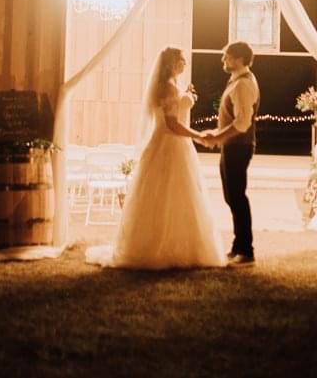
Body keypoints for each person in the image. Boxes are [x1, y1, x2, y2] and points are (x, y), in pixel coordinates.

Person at [85, 47, 226, 269]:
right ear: (170, 64)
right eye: (181, 60)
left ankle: (176, 243)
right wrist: (198, 135)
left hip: (166, 143)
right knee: (170, 193)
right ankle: (166, 247)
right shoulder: (168, 89)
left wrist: (187, 98)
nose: (184, 64)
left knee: (176, 194)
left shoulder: (169, 86)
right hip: (170, 143)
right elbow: (171, 124)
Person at [206, 40, 259, 266]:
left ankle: (246, 251)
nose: (223, 60)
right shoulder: (237, 81)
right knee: (231, 196)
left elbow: (243, 122)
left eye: (226, 56)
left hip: (239, 146)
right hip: (232, 145)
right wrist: (219, 135)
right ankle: (239, 246)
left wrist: (217, 138)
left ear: (239, 59)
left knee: (237, 196)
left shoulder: (242, 85)